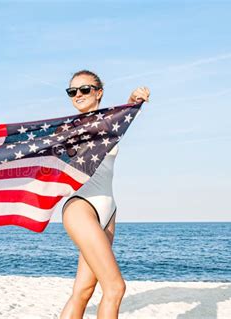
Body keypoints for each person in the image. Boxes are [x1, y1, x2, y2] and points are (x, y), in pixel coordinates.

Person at [59, 70, 150, 319]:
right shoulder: (69, 129)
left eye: (84, 89)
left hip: (108, 211)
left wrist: (133, 100)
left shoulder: (110, 125)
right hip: (82, 207)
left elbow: (121, 119)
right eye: (72, 91)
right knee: (115, 287)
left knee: (84, 290)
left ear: (99, 92)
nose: (78, 95)